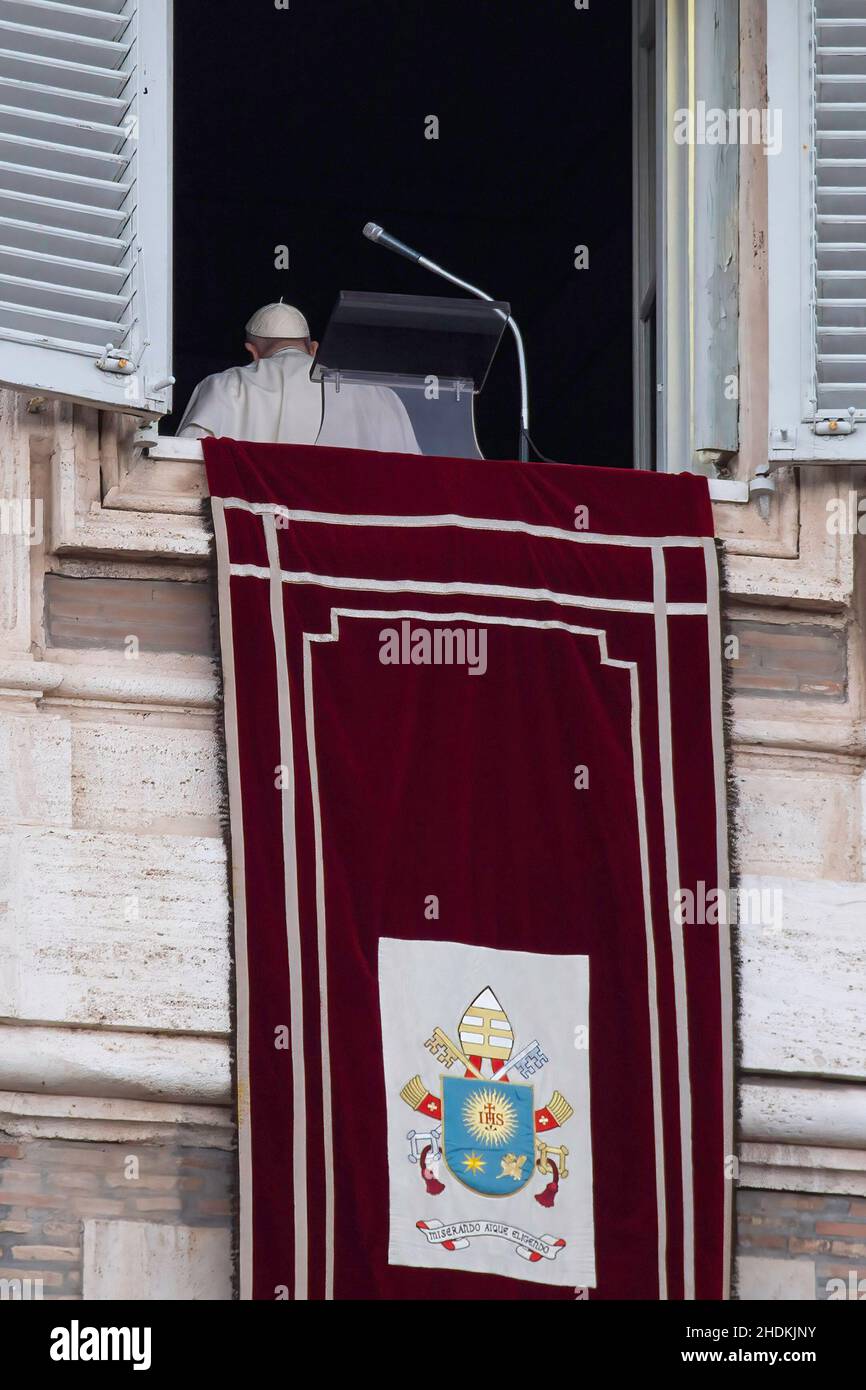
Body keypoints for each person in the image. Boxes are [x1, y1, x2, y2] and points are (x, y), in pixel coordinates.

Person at [177, 301, 420, 452]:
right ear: (314, 348)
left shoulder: (226, 386)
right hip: (361, 532)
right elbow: (415, 475)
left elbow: (187, 461)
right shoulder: (377, 390)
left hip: (265, 532)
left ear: (252, 353)